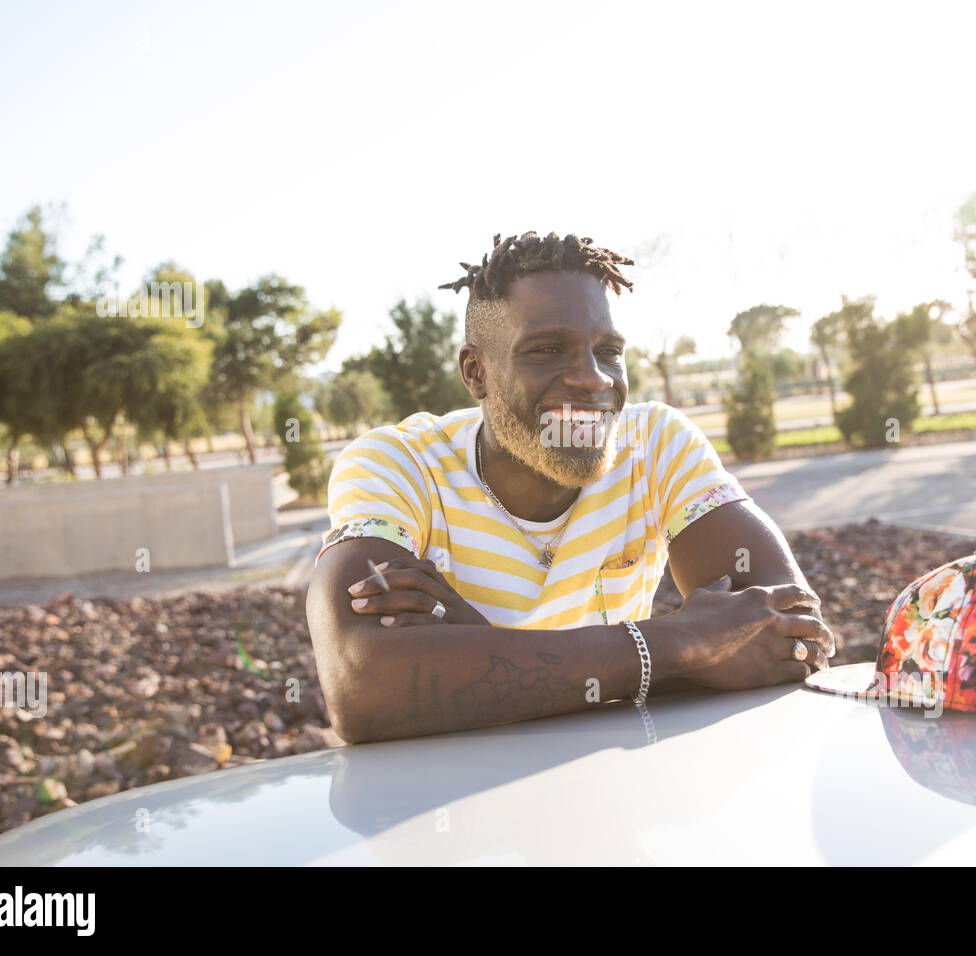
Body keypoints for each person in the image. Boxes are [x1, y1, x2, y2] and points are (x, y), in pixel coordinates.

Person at [306, 231, 833, 743]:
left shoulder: (656, 444)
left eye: (608, 351)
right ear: (476, 372)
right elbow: (361, 688)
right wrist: (681, 643)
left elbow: (790, 638)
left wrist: (478, 647)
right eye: (547, 350)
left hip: (617, 800)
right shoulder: (398, 464)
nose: (593, 379)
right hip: (454, 815)